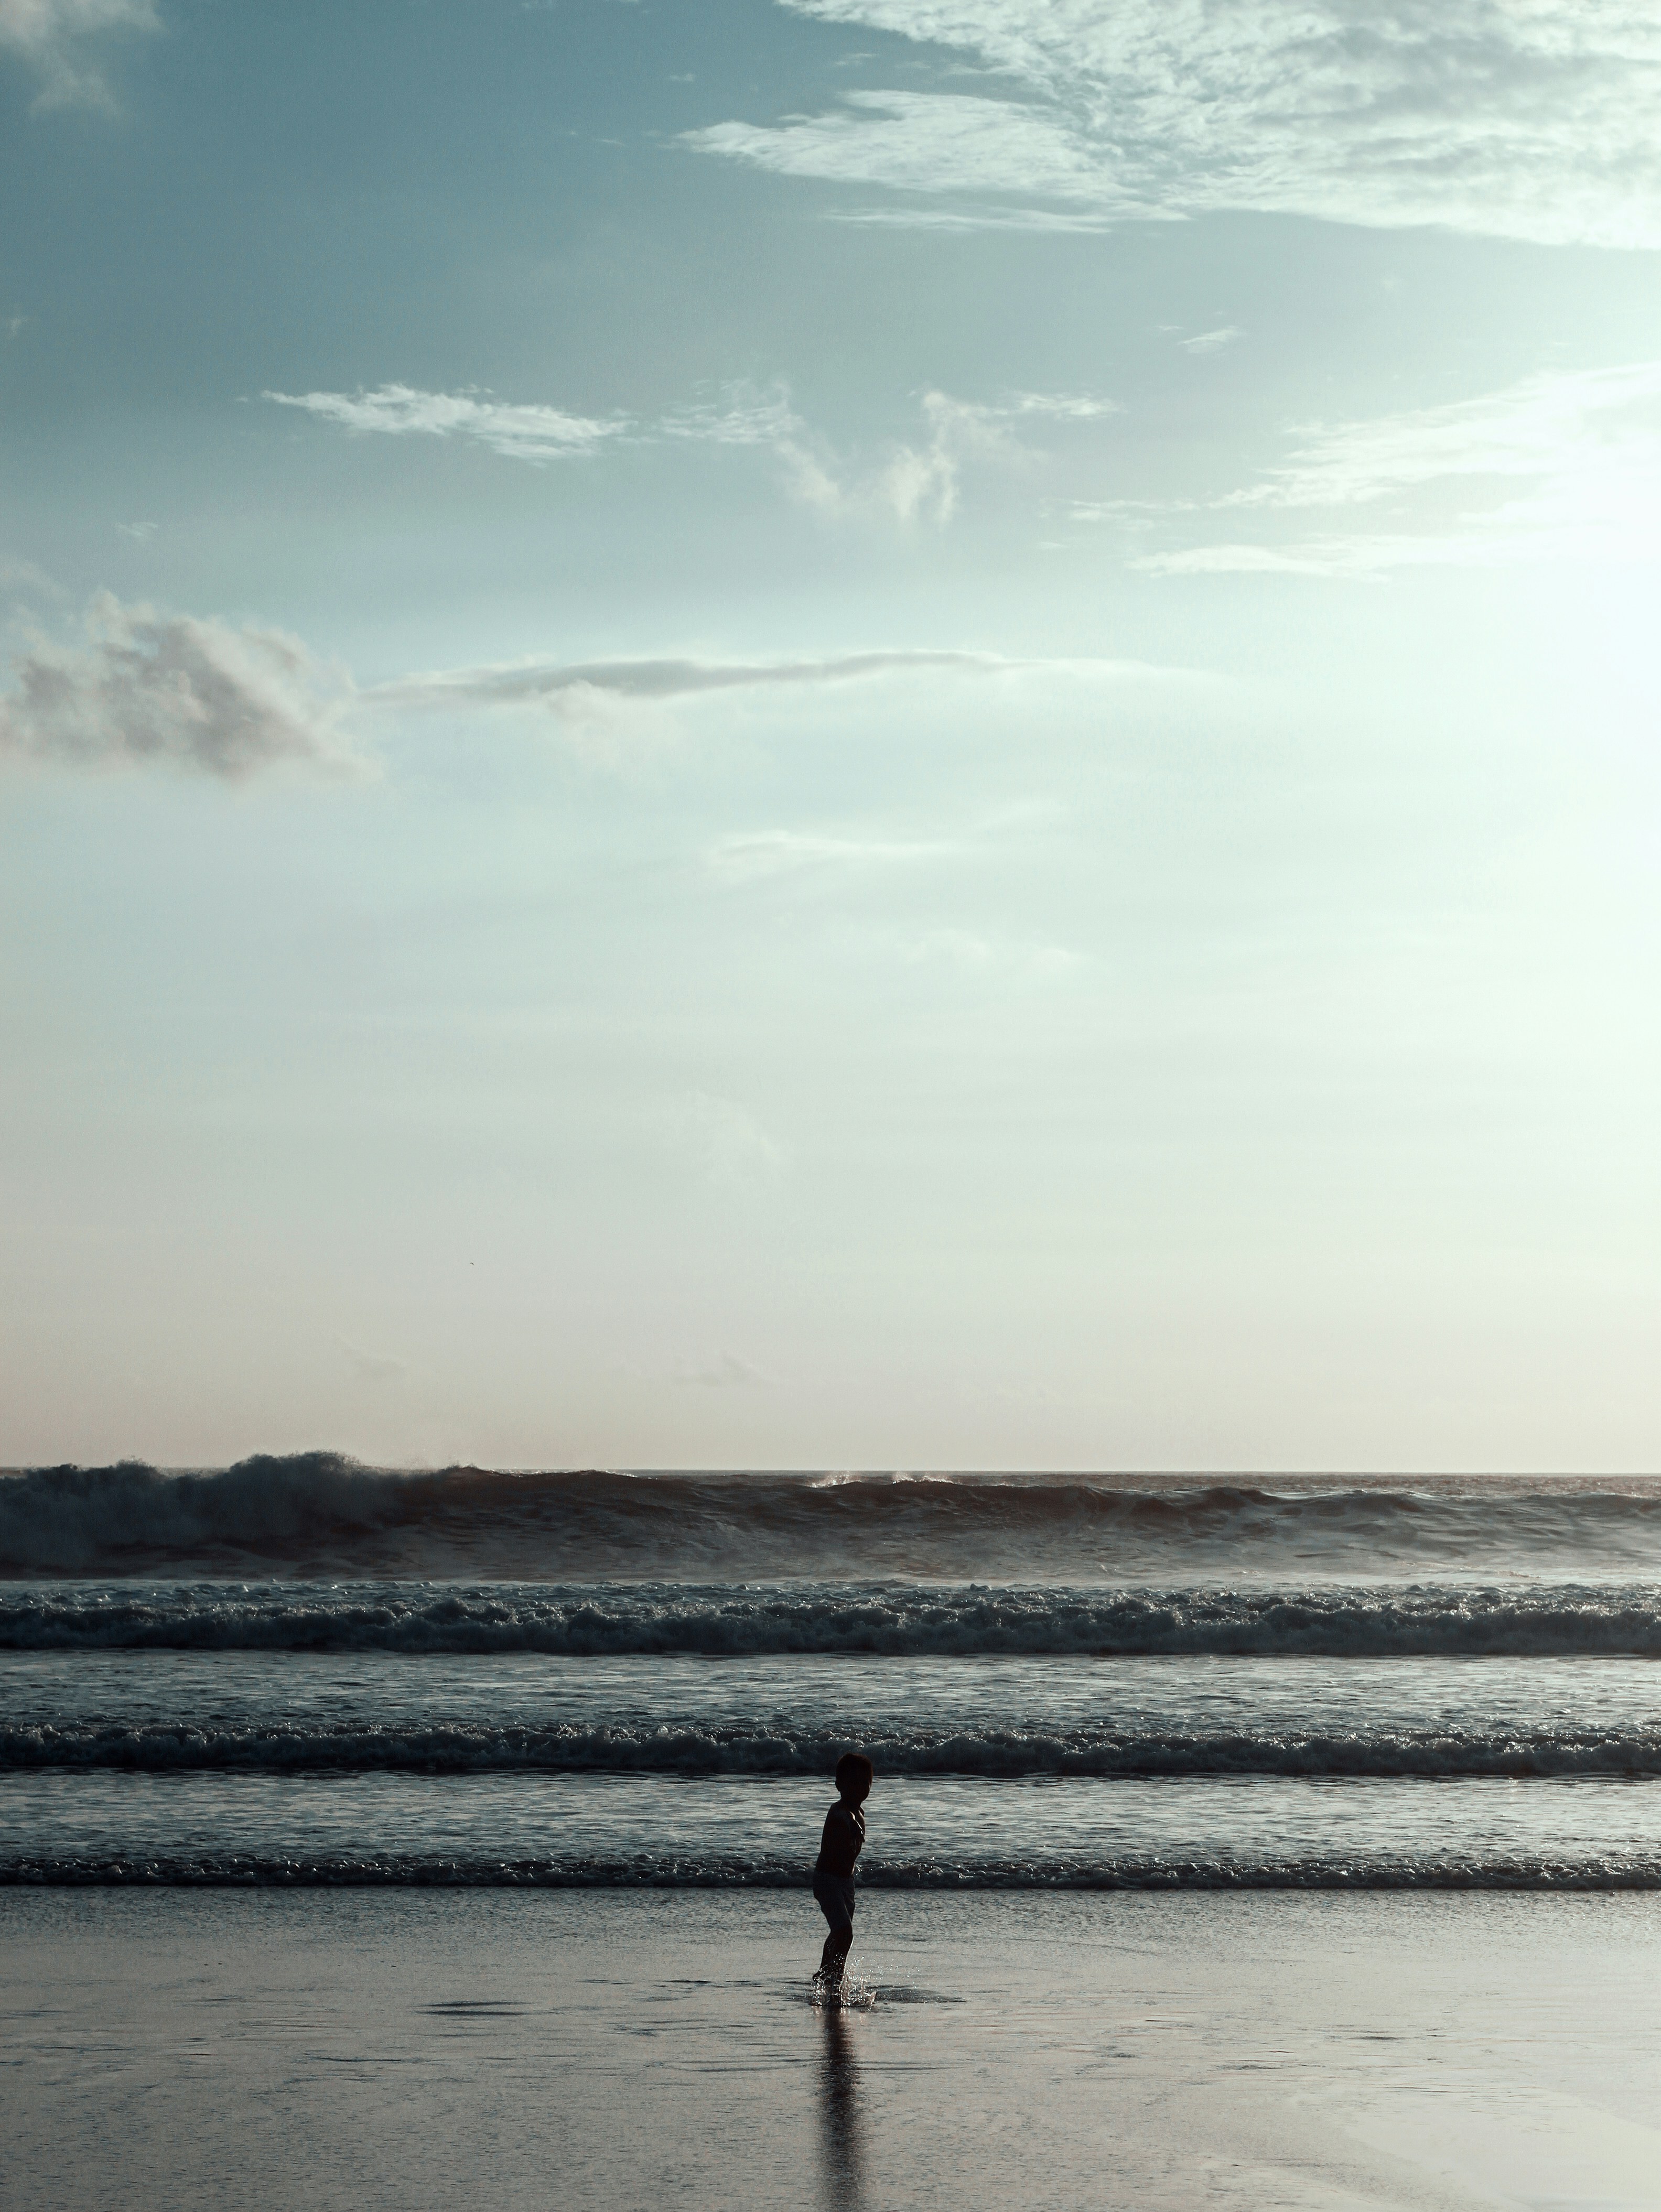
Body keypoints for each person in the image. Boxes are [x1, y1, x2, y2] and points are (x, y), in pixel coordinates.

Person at [811, 1751, 873, 1993]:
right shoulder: (839, 1812)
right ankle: (828, 1975)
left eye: (864, 1784)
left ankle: (833, 1975)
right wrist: (851, 1822)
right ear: (839, 1785)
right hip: (827, 1881)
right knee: (844, 1931)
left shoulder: (859, 1814)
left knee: (841, 1934)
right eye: (852, 1784)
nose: (859, 1789)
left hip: (847, 1883)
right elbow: (843, 1817)